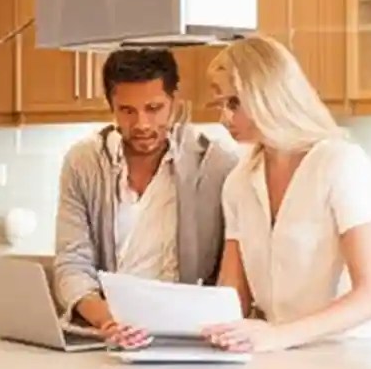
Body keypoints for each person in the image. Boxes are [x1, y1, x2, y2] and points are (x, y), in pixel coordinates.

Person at [198, 35, 371, 353]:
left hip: (358, 354)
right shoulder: (239, 182)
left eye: (234, 103)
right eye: (220, 105)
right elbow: (232, 294)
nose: (224, 118)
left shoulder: (339, 163)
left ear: (269, 94)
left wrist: (280, 336)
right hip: (285, 354)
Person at [52, 48, 240, 342]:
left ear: (174, 102)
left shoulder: (217, 165)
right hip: (109, 333)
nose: (141, 124)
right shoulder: (83, 163)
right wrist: (107, 319)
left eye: (154, 108)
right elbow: (71, 263)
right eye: (127, 110)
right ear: (111, 105)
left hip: (189, 335)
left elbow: (232, 269)